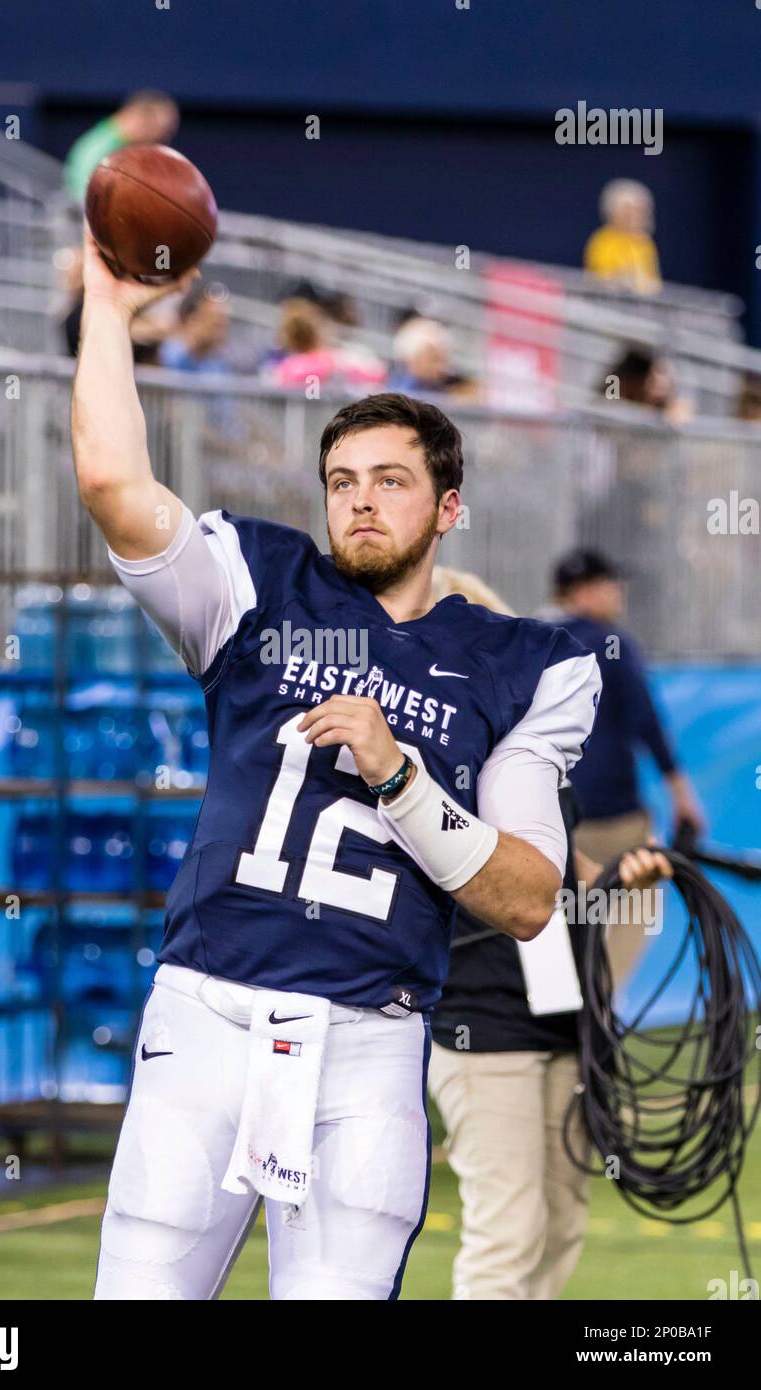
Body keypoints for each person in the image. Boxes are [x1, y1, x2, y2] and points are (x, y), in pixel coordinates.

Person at [72, 227, 601, 1300]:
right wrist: (108, 306)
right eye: (343, 479)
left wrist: (400, 775)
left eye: (392, 481)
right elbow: (112, 483)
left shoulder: (525, 665)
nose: (360, 499)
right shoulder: (256, 584)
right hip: (204, 1013)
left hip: (368, 1040)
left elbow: (527, 897)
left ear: (447, 508)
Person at [428, 564, 672, 1301]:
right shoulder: (431, 757)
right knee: (507, 1231)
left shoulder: (536, 756)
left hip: (564, 1017)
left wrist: (621, 877)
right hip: (481, 1019)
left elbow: (565, 873)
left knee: (561, 1218)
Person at [539, 548, 703, 985]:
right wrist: (682, 795)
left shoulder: (530, 639)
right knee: (637, 903)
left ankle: (558, 1008)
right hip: (613, 817)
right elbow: (645, 722)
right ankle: (603, 1003)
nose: (619, 593)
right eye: (612, 584)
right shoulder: (611, 643)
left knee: (555, 925)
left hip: (548, 816)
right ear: (586, 591)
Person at [64, 90, 180, 202]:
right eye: (162, 132)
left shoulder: (105, 140)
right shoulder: (102, 150)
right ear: (142, 119)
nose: (163, 141)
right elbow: (86, 201)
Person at [583, 179, 661, 295]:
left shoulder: (644, 243)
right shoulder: (603, 241)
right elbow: (602, 281)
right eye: (630, 210)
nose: (637, 216)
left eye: (642, 211)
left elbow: (654, 283)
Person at [158, 282, 230, 374]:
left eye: (223, 325)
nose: (220, 333)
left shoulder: (216, 365)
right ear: (191, 319)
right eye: (216, 324)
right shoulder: (164, 358)